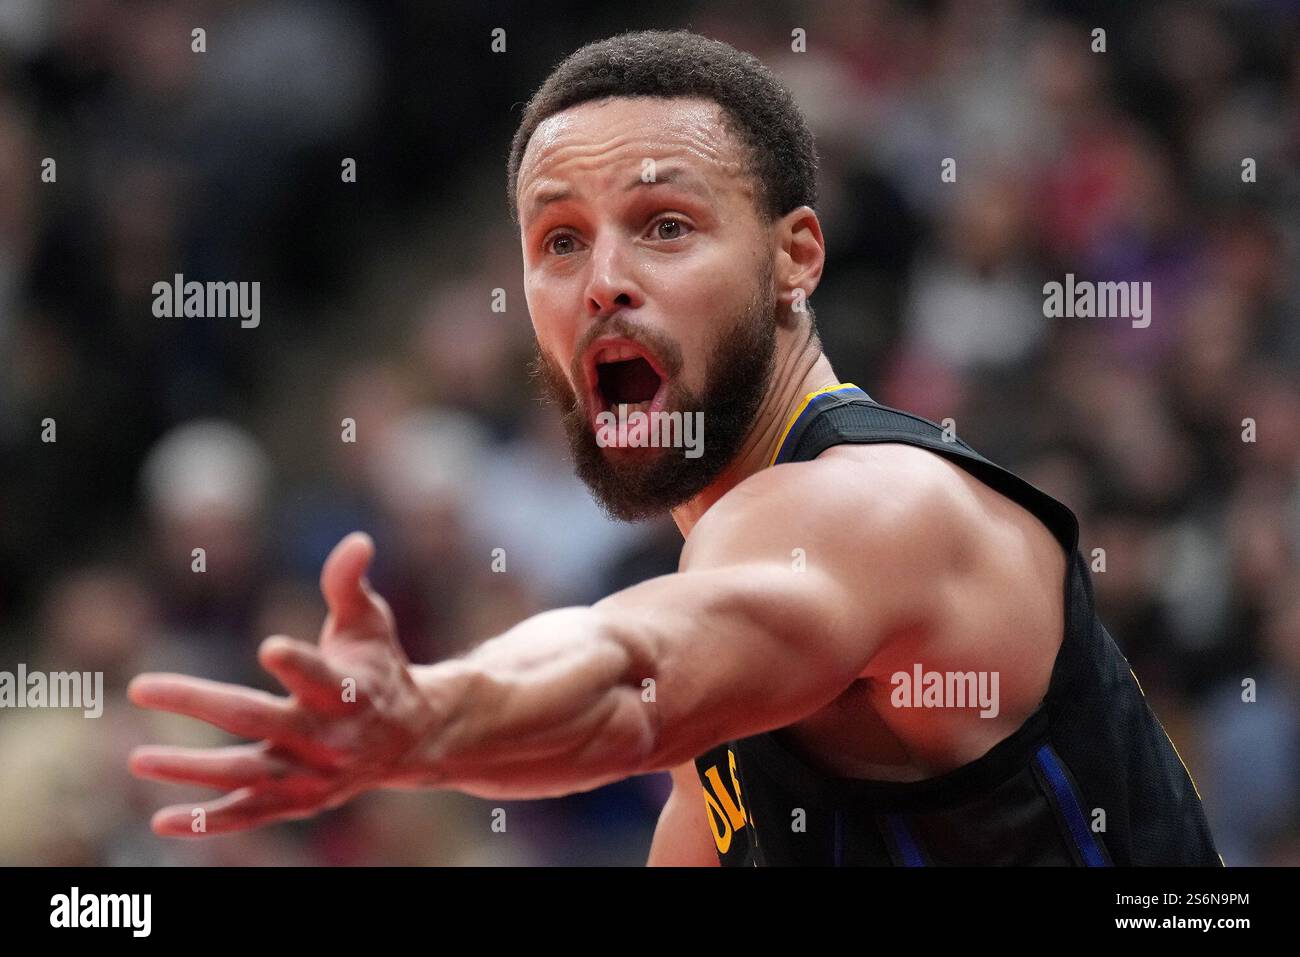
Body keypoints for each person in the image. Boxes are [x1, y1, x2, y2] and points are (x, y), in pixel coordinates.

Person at [128, 30, 1221, 867]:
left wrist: (431, 712)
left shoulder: (877, 508)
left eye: (664, 224)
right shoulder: (741, 676)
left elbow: (627, 675)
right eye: (559, 240)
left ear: (796, 259)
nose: (601, 277)